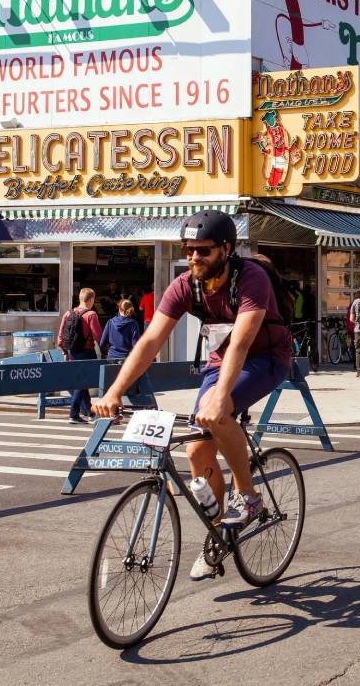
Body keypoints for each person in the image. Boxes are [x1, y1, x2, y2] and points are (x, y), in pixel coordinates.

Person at [92, 210, 293, 581]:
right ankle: (217, 537)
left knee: (218, 411)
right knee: (196, 450)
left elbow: (242, 343)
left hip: (265, 358)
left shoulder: (251, 279)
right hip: (221, 361)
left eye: (203, 250)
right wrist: (115, 391)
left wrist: (220, 397)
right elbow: (151, 340)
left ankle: (247, 495)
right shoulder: (186, 285)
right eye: (189, 250)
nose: (194, 257)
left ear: (226, 249)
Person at [57, 287, 103, 423]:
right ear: (91, 299)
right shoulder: (91, 315)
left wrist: (64, 352)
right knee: (82, 383)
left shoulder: (68, 313)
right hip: (87, 352)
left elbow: (60, 337)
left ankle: (90, 412)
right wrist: (105, 350)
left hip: (73, 352)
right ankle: (74, 414)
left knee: (82, 382)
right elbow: (98, 336)